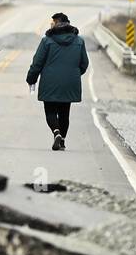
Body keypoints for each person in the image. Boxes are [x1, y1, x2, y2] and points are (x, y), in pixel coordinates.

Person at [25, 11, 89, 151]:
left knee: (50, 111)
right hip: (70, 83)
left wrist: (31, 78)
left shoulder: (47, 41)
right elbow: (84, 64)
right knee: (65, 112)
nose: (50, 25)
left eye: (52, 22)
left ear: (58, 23)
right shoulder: (79, 41)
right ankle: (62, 141)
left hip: (50, 82)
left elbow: (37, 63)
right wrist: (74, 74)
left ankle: (56, 133)